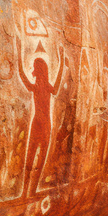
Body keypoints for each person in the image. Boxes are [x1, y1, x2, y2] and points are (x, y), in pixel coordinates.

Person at [17, 38, 65, 196]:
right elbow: (23, 75)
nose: (32, 71)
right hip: (42, 124)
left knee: (36, 158)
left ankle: (29, 190)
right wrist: (18, 51)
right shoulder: (41, 87)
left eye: (34, 68)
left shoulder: (42, 87)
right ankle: (27, 190)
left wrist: (62, 61)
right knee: (33, 158)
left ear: (39, 70)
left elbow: (22, 74)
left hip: (41, 124)